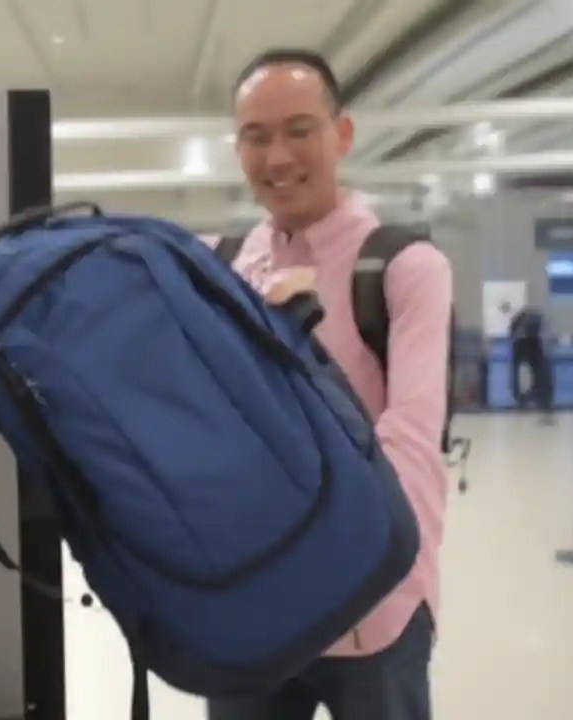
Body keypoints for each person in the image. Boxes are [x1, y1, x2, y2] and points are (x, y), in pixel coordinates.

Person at [208, 48, 453, 720]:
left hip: (373, 610)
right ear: (238, 149)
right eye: (256, 137)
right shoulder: (225, 266)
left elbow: (409, 437)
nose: (278, 157)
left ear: (341, 135)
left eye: (298, 129)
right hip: (253, 605)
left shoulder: (404, 267)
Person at [508, 304, 553, 421]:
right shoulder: (527, 330)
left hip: (526, 344)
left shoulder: (526, 327)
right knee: (540, 374)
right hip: (527, 345)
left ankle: (527, 399)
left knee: (538, 375)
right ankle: (531, 399)